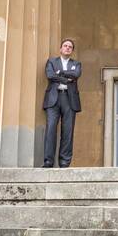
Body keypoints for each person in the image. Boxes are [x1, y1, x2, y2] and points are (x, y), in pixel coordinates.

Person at [42, 38, 82, 168]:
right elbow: (50, 75)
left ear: (72, 50)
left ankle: (64, 163)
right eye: (65, 46)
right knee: (51, 130)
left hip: (69, 100)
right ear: (60, 48)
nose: (67, 48)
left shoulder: (76, 64)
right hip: (54, 99)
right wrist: (66, 79)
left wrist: (60, 73)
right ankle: (48, 161)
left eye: (70, 47)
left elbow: (76, 74)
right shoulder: (52, 62)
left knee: (68, 132)